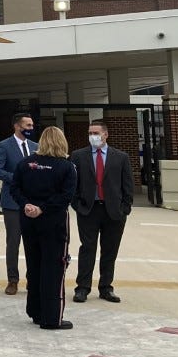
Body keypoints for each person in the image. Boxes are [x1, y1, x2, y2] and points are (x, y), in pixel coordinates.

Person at [10, 126, 77, 330]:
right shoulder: (66, 167)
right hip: (53, 221)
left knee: (34, 264)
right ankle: (51, 316)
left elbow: (14, 188)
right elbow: (66, 196)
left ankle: (36, 310)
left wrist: (26, 205)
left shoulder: (25, 164)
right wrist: (43, 208)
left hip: (28, 220)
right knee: (54, 267)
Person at [70, 119, 134, 303]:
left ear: (105, 134)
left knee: (110, 250)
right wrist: (77, 205)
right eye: (90, 133)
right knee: (87, 249)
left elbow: (127, 186)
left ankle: (106, 287)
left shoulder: (120, 157)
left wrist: (125, 209)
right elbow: (72, 183)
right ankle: (82, 287)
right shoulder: (78, 155)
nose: (93, 137)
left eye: (96, 133)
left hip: (114, 212)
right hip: (88, 210)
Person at [0, 112, 35, 295]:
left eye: (32, 125)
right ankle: (12, 280)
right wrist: (17, 178)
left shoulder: (35, 146)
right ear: (17, 126)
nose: (31, 128)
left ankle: (32, 278)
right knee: (13, 241)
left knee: (32, 242)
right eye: (28, 125)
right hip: (12, 202)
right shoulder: (4, 146)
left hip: (32, 202)